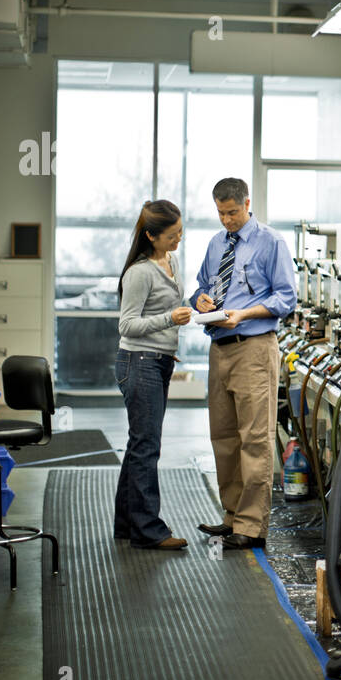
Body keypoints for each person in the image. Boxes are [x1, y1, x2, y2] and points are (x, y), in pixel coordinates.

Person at [191, 178, 297, 550]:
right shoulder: (216, 243)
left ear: (247, 204)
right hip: (219, 347)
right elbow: (201, 286)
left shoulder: (271, 242)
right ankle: (232, 516)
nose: (227, 220)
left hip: (253, 346)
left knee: (255, 438)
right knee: (223, 436)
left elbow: (286, 298)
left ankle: (251, 527)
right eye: (220, 213)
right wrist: (201, 301)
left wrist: (244, 313)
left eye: (232, 212)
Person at [115, 200, 193, 550]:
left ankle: (126, 525)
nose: (178, 239)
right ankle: (149, 531)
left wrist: (195, 304)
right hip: (139, 362)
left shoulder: (171, 262)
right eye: (172, 235)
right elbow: (127, 324)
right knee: (147, 447)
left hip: (158, 361)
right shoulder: (140, 272)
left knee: (139, 445)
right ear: (151, 236)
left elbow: (169, 306)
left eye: (180, 232)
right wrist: (168, 321)